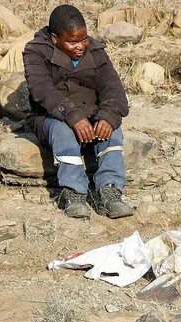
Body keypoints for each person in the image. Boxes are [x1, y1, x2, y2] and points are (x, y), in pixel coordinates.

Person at [23, 4, 134, 219]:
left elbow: (113, 88)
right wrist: (73, 117)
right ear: (55, 38)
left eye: (83, 39)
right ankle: (74, 193)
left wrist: (107, 116)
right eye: (72, 42)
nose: (80, 46)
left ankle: (110, 192)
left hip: (91, 113)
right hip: (51, 116)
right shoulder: (36, 51)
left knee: (112, 131)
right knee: (64, 133)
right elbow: (42, 90)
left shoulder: (96, 52)